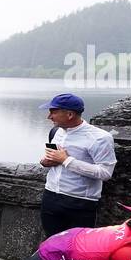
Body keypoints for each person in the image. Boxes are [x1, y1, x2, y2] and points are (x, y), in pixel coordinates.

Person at [38, 92, 116, 237]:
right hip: (50, 196)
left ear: (70, 115)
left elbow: (105, 173)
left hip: (80, 201)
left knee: (77, 250)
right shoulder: (57, 131)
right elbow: (51, 158)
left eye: (53, 112)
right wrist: (45, 162)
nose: (49, 117)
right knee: (52, 243)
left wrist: (66, 160)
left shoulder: (100, 138)